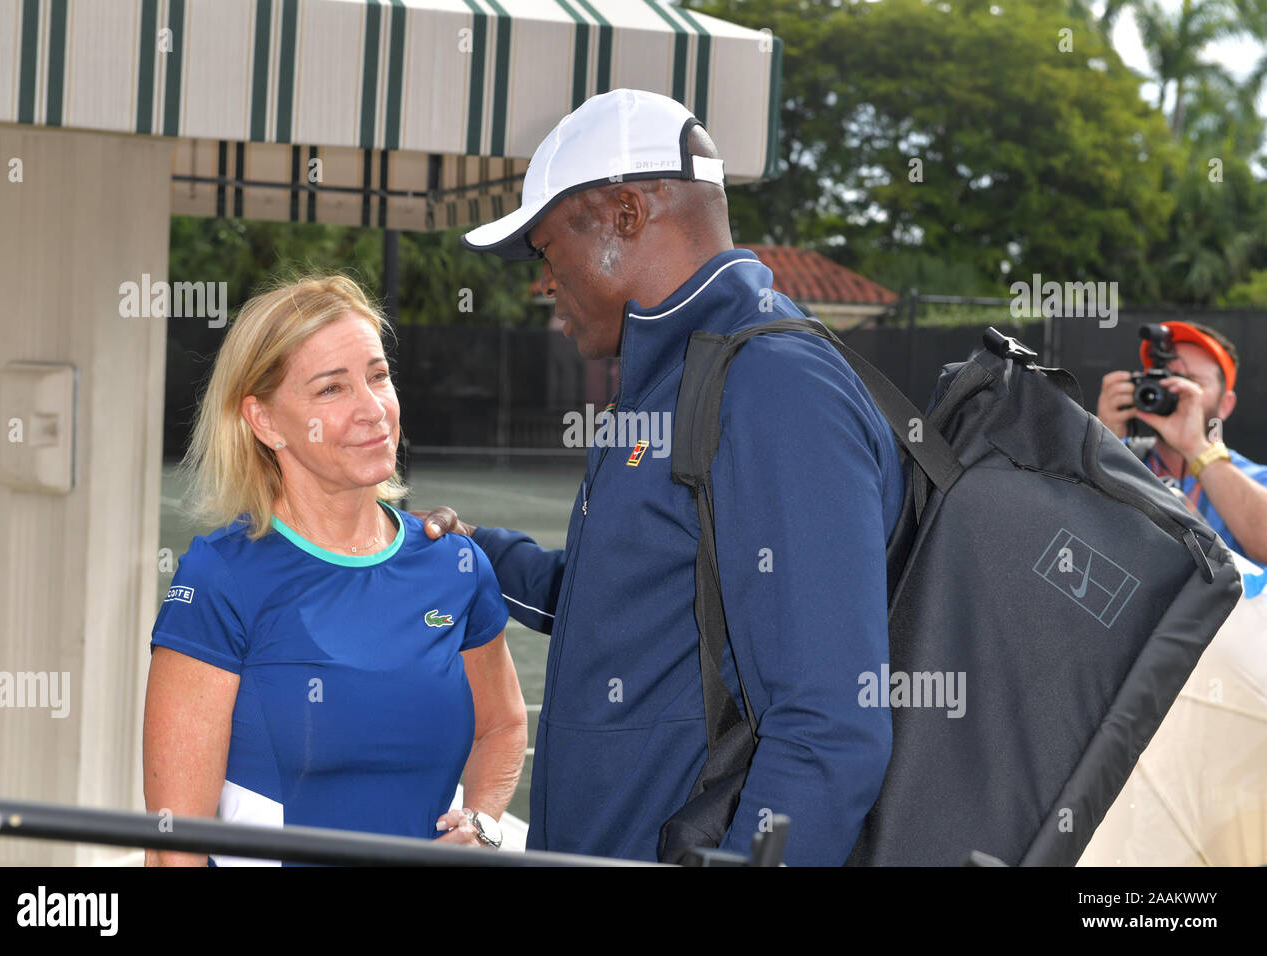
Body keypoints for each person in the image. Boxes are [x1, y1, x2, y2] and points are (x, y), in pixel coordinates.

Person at [419, 89, 906, 865]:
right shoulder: (674, 378)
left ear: (623, 216)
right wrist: (477, 552)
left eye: (546, 250)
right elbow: (634, 606)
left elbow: (829, 727)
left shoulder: (775, 383)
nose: (544, 283)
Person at [143, 275, 526, 866]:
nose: (373, 410)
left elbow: (501, 727)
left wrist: (481, 820)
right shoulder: (221, 578)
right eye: (331, 389)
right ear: (264, 421)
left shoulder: (454, 563)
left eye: (378, 376)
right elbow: (176, 849)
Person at [1096, 320, 1267, 563]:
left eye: (1193, 382)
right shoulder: (1119, 459)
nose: (1177, 390)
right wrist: (1102, 442)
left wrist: (1196, 448)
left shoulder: (1255, 479)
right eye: (1169, 378)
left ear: (1225, 405)